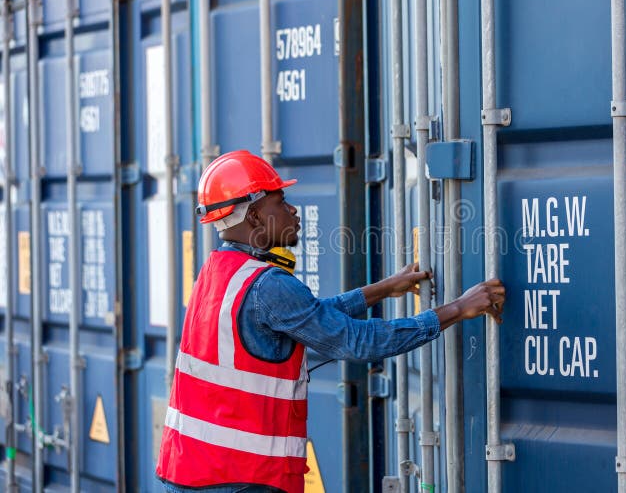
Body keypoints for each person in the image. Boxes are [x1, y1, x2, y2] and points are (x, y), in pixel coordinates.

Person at [156, 150, 505, 493]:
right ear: (256, 217)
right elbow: (358, 342)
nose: (293, 210)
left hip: (190, 469)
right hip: (240, 478)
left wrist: (382, 289)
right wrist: (458, 308)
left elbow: (306, 316)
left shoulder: (217, 272)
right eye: (281, 202)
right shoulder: (267, 285)